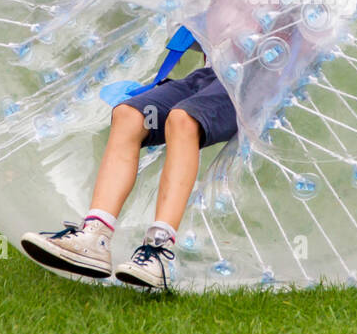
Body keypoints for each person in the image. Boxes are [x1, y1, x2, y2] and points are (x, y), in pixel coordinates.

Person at [20, 29, 238, 291]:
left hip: (252, 82)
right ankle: (95, 236)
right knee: (130, 114)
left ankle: (159, 251)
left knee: (183, 119)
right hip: (209, 76)